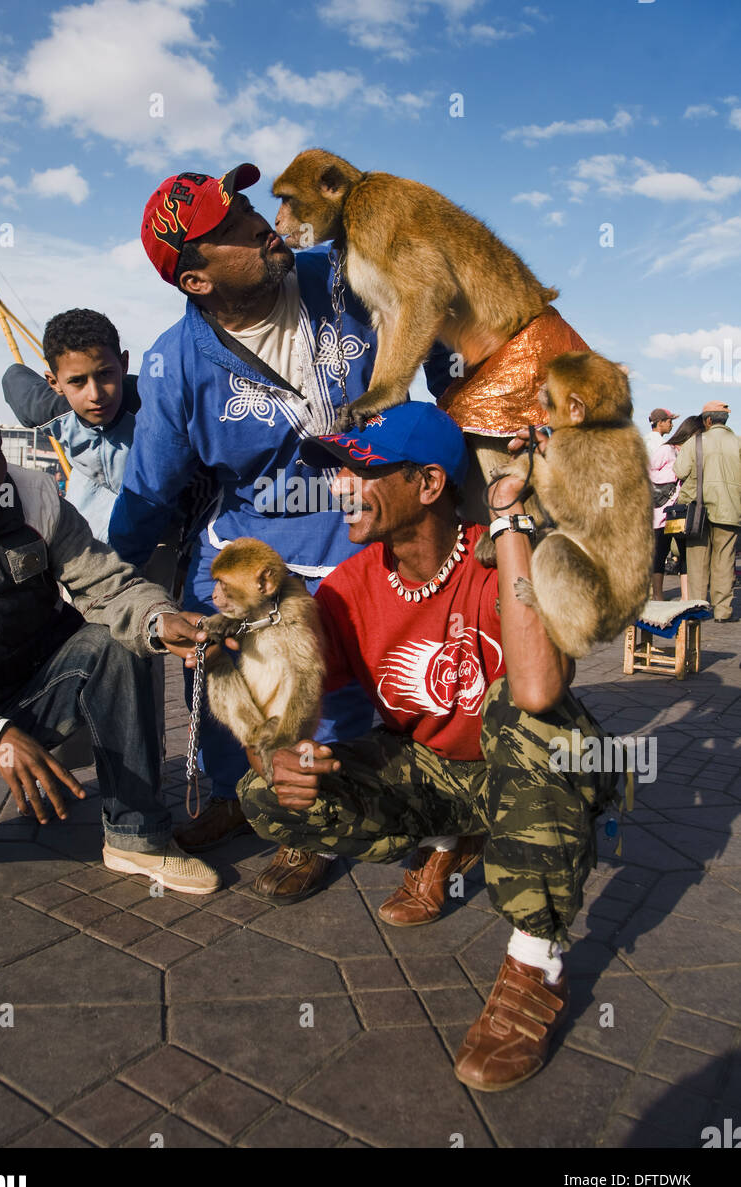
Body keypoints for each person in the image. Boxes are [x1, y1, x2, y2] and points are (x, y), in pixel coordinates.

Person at [237, 403, 620, 1091]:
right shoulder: (350, 588)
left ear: (429, 485)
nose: (340, 487)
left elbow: (537, 690)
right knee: (265, 793)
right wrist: (278, 753)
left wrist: (508, 520)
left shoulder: (503, 553)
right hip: (437, 768)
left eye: (363, 471)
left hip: (525, 770)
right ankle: (448, 836)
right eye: (339, 472)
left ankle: (535, 966)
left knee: (530, 723)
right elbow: (278, 701)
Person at [108, 164, 378, 858]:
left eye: (249, 208)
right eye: (229, 229)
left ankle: (311, 829)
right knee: (227, 683)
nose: (260, 224)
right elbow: (149, 492)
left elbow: (442, 319)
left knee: (330, 700)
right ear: (196, 279)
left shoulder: (345, 278)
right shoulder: (176, 366)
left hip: (350, 543)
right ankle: (232, 797)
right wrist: (107, 585)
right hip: (242, 551)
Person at [0, 380, 224, 893]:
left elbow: (106, 584)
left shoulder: (36, 496)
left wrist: (158, 618)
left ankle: (136, 836)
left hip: (36, 690)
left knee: (114, 641)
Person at [2, 309, 138, 544]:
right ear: (54, 383)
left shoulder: (154, 407)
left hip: (153, 538)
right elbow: (13, 376)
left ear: (124, 364)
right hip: (85, 536)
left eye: (105, 374)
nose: (95, 395)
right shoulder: (50, 410)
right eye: (77, 381)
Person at [674, 400, 741, 621]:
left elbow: (680, 470)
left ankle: (698, 607)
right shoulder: (738, 442)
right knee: (724, 561)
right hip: (730, 511)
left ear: (708, 420)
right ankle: (723, 611)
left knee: (697, 563)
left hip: (698, 511)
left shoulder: (696, 442)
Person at [650, 415, 700, 600]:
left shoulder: (686, 453)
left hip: (680, 511)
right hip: (661, 510)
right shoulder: (667, 450)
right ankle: (658, 595)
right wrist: (670, 478)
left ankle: (686, 597)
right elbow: (649, 472)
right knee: (660, 553)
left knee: (684, 553)